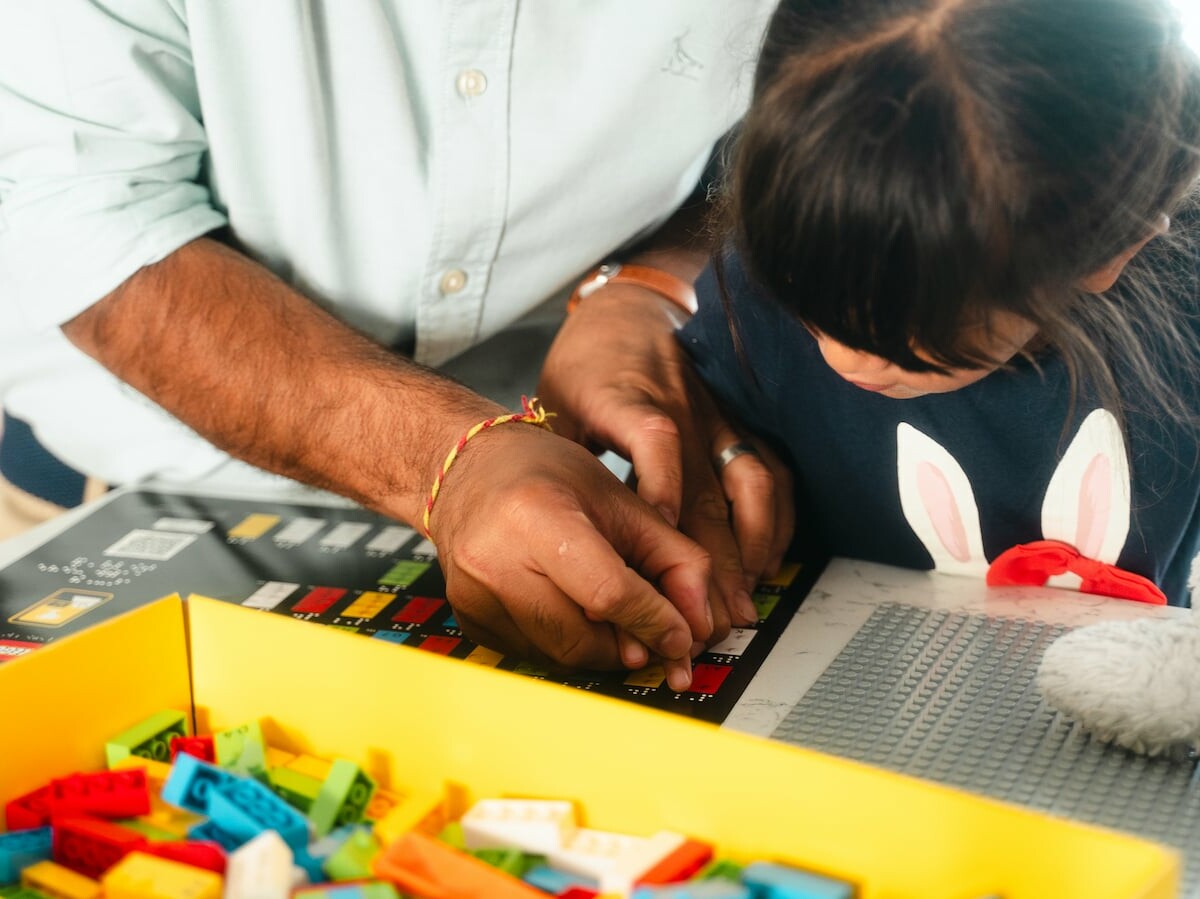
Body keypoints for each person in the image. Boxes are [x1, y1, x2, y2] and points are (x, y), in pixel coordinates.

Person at [0, 1, 793, 689]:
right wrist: (448, 460)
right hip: (140, 478)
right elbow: (87, 214)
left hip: (563, 476)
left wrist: (639, 292)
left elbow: (788, 125)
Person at [671, 0, 1200, 605]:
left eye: (905, 332)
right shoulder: (751, 288)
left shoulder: (1184, 315)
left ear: (1110, 249)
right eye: (803, 295)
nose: (846, 360)